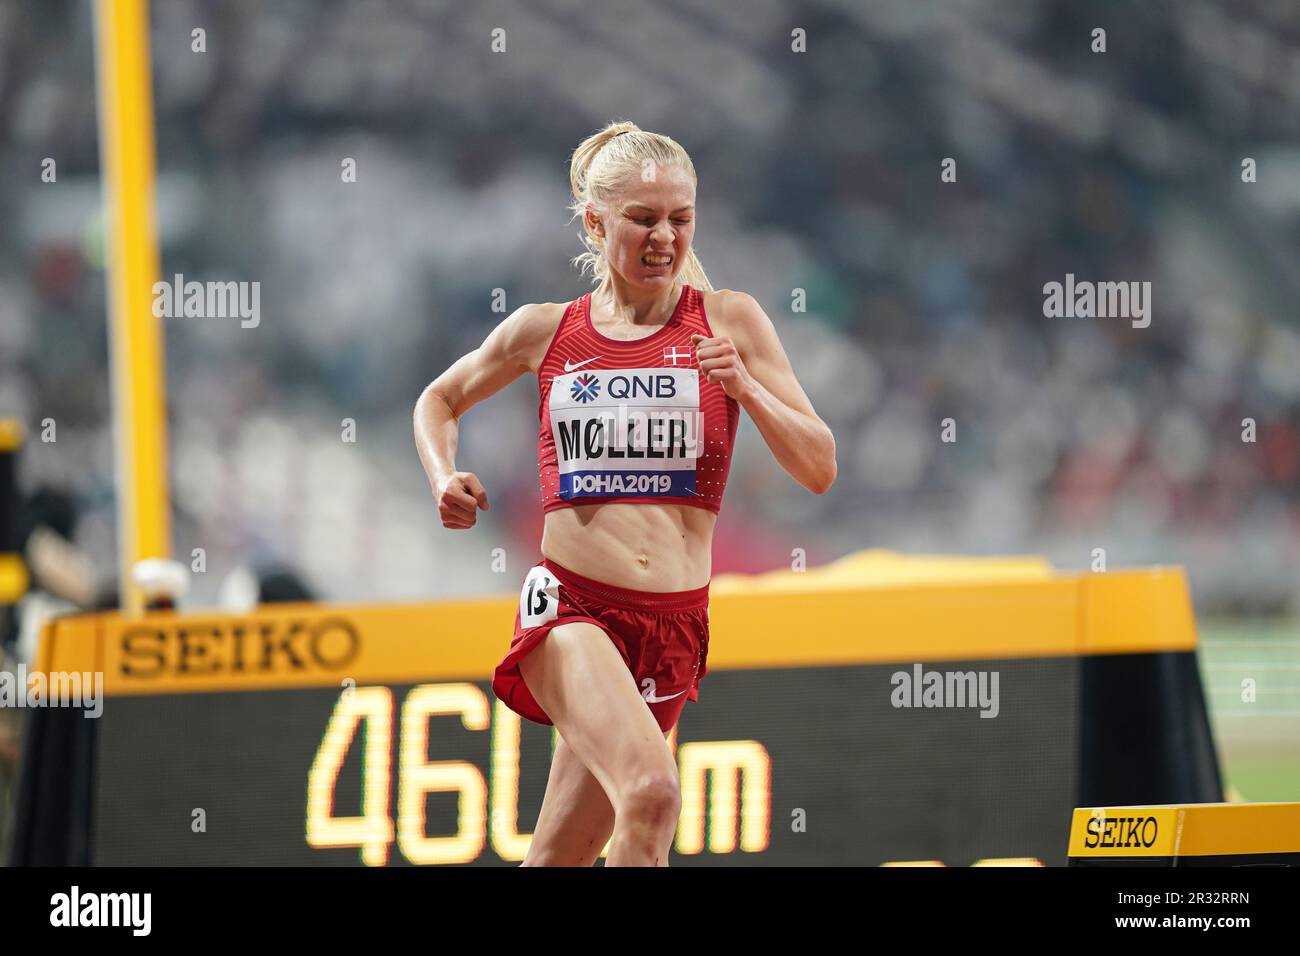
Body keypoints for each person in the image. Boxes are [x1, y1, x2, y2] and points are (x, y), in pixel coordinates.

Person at [414, 120, 835, 866]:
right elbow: (438, 402)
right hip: (573, 609)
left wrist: (746, 389)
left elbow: (818, 466)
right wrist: (445, 478)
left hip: (673, 626)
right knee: (653, 792)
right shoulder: (546, 331)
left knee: (563, 856)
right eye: (643, 219)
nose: (664, 237)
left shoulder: (729, 321)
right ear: (596, 221)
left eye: (681, 218)